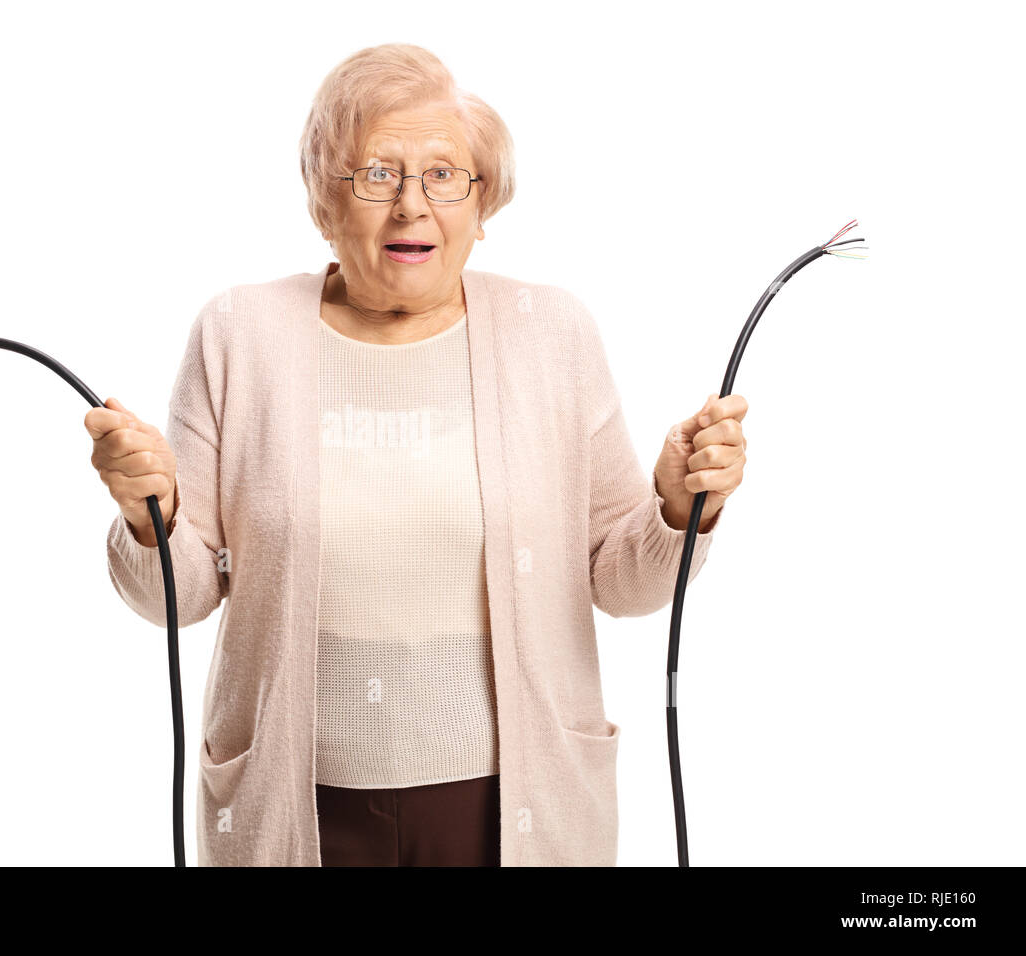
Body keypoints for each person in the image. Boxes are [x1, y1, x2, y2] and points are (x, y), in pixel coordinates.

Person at [83, 43, 747, 867]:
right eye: (376, 175)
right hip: (298, 808)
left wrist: (680, 510)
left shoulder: (554, 334)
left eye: (444, 175)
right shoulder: (238, 335)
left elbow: (620, 580)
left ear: (481, 202)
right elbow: (178, 599)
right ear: (327, 200)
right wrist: (153, 515)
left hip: (510, 807)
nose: (411, 207)